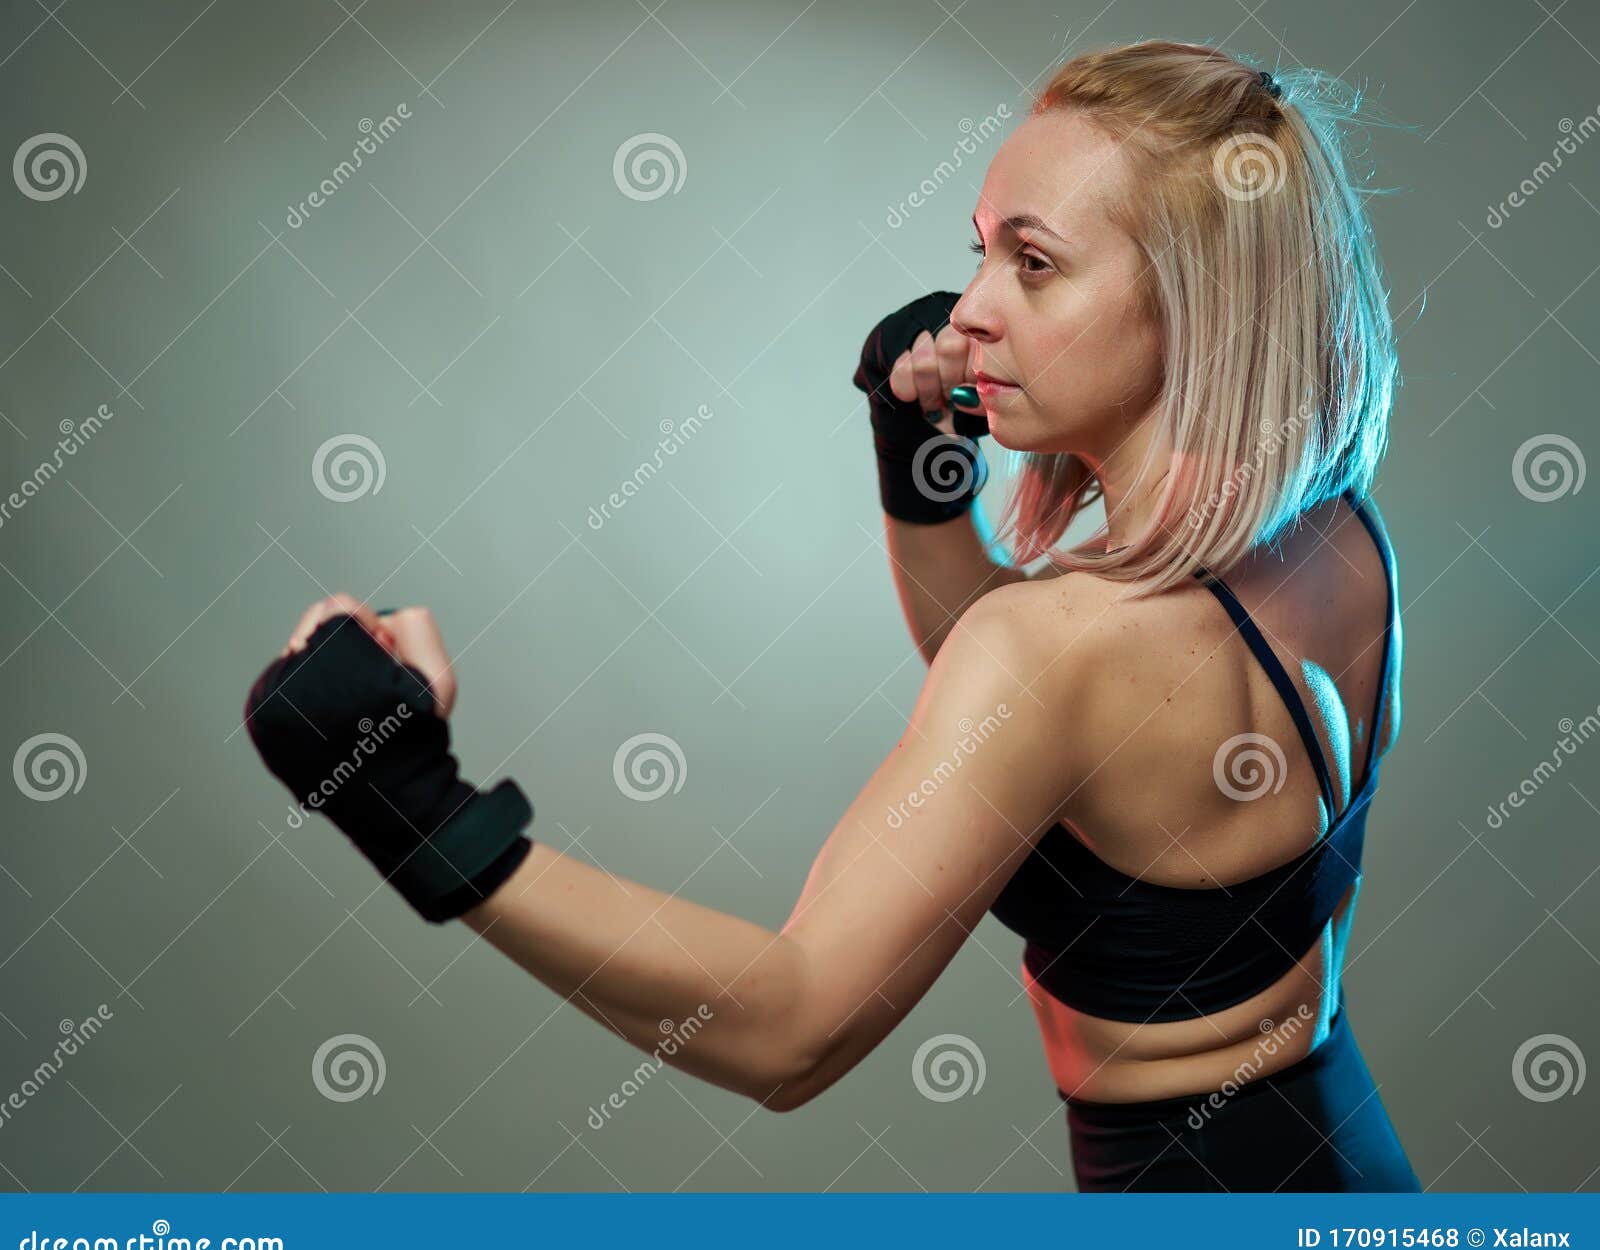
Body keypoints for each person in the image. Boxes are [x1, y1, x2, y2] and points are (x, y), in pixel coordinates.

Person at [244, 38, 1420, 1192]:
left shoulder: (1059, 648)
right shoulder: (1339, 540)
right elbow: (1054, 731)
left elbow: (791, 1027)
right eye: (980, 253)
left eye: (1036, 265)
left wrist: (414, 809)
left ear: (1190, 303)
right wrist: (919, 459)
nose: (969, 312)